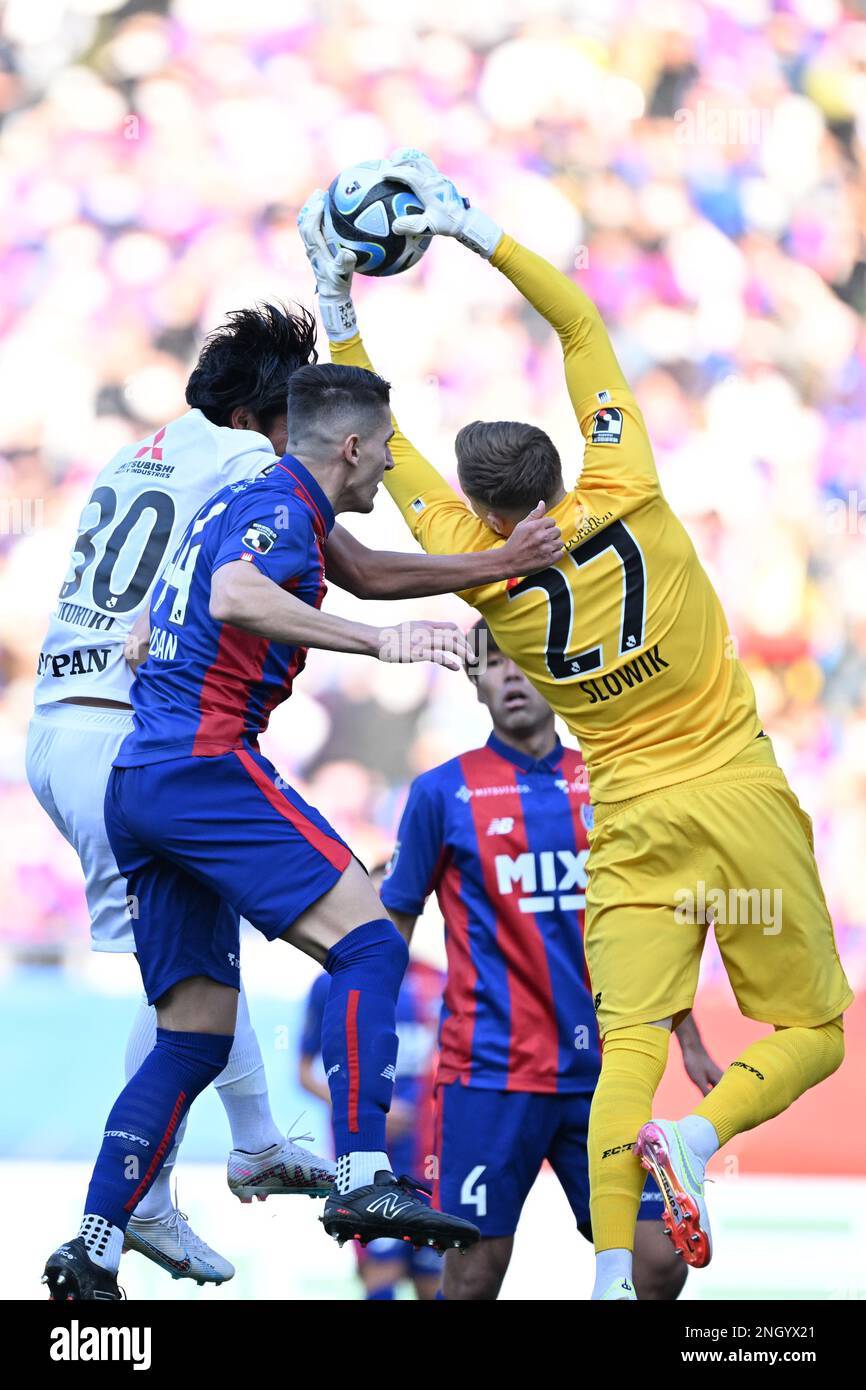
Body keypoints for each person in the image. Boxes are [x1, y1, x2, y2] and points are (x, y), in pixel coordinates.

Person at [300, 151, 853, 1301]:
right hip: (739, 791)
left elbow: (384, 449)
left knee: (629, 1048)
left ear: (483, 503)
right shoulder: (629, 485)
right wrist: (469, 228)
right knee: (813, 1033)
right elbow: (581, 326)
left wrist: (340, 309)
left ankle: (609, 1274)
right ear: (560, 468)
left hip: (635, 818)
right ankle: (698, 1141)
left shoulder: (483, 574)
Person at [27, 302, 562, 1288]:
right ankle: (358, 1169)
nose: (386, 469)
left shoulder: (181, 469)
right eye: (384, 452)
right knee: (366, 941)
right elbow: (241, 589)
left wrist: (491, 565)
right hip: (183, 758)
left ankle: (95, 1244)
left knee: (191, 1029)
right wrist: (380, 640)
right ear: (322, 436)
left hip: (110, 754)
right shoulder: (263, 482)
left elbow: (311, 567)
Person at [380, 618, 721, 1301]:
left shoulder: (614, 783)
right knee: (474, 1274)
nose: (509, 674)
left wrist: (688, 1036)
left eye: (522, 659)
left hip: (603, 1073)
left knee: (659, 1262)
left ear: (554, 670)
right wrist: (365, 1042)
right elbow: (392, 925)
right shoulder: (440, 795)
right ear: (474, 682)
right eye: (492, 663)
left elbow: (652, 922)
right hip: (488, 1076)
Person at [299, 865, 444, 1301]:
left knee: (433, 1278)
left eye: (396, 902)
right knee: (382, 1274)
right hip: (368, 1159)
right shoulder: (330, 985)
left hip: (432, 1158)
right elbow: (305, 1072)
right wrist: (366, 1105)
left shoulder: (439, 984)